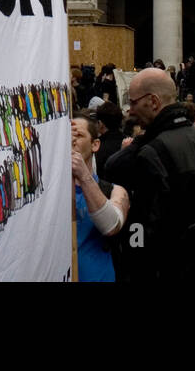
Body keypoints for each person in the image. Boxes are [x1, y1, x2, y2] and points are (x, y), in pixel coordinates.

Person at [102, 68, 195, 280]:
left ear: (153, 102)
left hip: (168, 268)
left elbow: (142, 223)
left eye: (133, 102)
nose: (129, 110)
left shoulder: (153, 153)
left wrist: (133, 260)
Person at [71, 110, 130, 281]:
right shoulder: (50, 193)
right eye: (68, 136)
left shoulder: (115, 191)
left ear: (95, 145)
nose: (72, 141)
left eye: (79, 135)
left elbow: (110, 226)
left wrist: (82, 174)